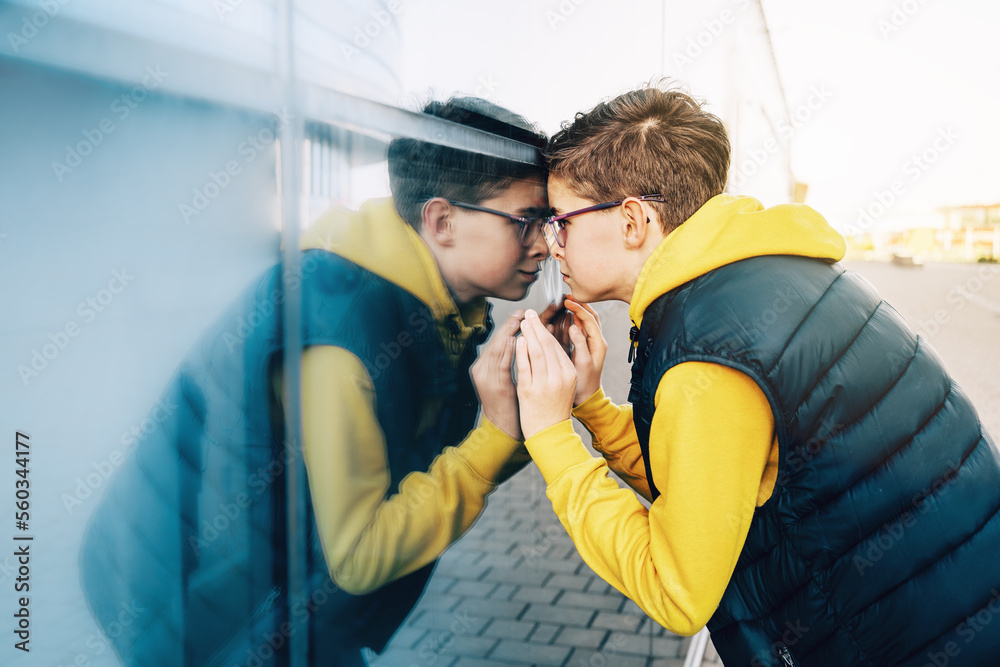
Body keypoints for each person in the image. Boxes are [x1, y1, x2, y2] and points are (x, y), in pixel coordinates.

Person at [513, 81, 1000, 667]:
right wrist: (590, 404)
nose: (552, 244)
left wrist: (550, 436)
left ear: (633, 221)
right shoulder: (754, 278)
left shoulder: (708, 354)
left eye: (561, 221)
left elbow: (677, 588)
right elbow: (715, 492)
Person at [79, 96, 550, 666]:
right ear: (441, 221)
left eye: (548, 223)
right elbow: (358, 556)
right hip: (185, 604)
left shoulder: (433, 306)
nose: (545, 245)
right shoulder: (344, 336)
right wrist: (498, 438)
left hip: (275, 597)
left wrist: (520, 422)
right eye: (527, 220)